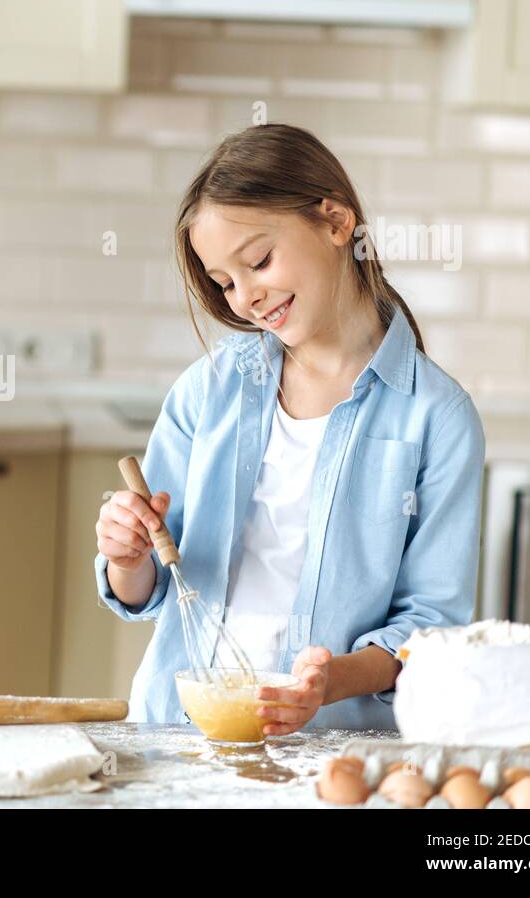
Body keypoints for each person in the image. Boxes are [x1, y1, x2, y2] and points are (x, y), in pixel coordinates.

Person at [94, 123, 485, 731]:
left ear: (335, 223)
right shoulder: (208, 391)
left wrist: (328, 682)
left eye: (259, 262)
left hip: (330, 747)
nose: (245, 297)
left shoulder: (437, 417)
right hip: (181, 728)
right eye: (224, 283)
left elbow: (430, 625)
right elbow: (152, 587)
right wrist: (126, 554)